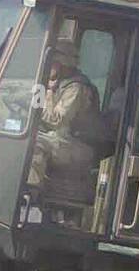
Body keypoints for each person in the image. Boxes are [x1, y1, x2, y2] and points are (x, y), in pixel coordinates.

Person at [28, 41, 100, 188]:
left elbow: (56, 119)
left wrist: (42, 95)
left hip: (78, 145)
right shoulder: (59, 84)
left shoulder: (76, 88)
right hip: (61, 139)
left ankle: (30, 192)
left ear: (63, 64)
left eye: (53, 63)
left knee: (33, 144)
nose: (49, 67)